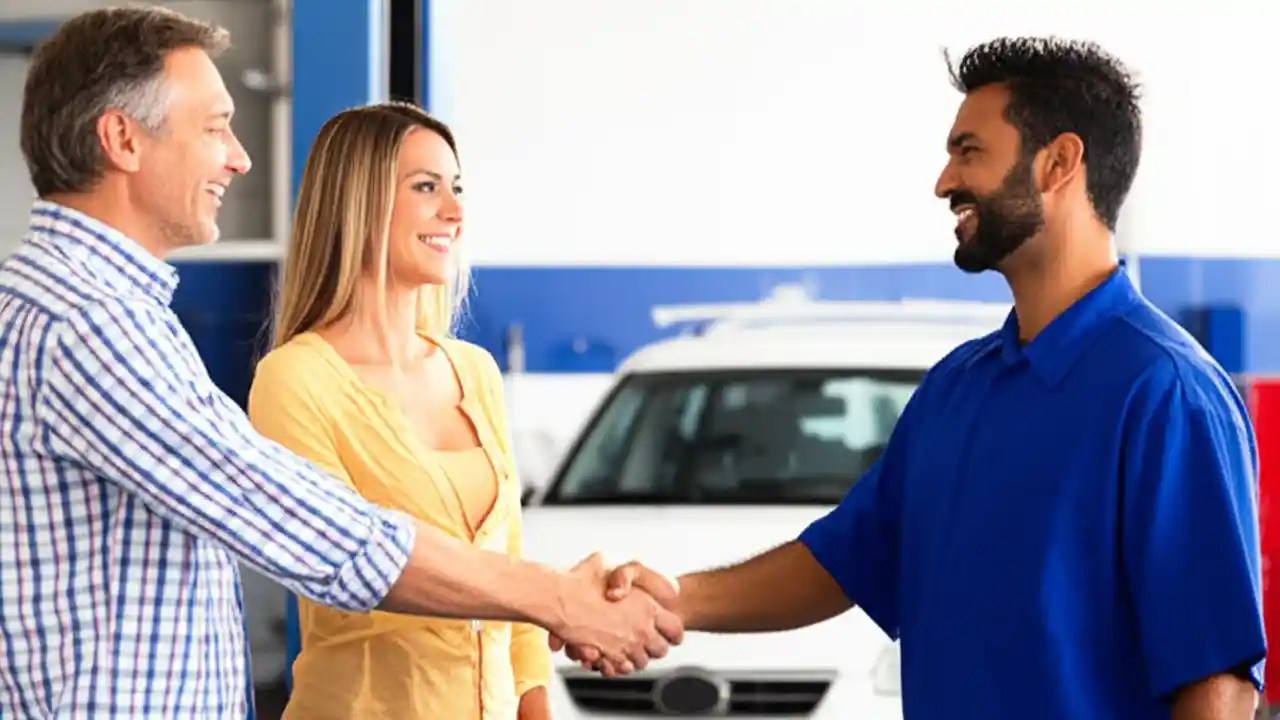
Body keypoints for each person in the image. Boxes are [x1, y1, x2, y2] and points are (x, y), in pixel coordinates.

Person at [0, 7, 679, 719]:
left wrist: (547, 622)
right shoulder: (86, 324)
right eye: (215, 127)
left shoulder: (95, 312)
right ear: (122, 140)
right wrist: (558, 598)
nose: (240, 156)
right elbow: (311, 527)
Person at [562, 36, 1268, 719]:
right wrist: (675, 598)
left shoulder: (1166, 392)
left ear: (1059, 163)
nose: (945, 182)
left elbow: (1216, 678)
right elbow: (846, 560)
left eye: (969, 152)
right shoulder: (958, 387)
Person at [245, 102, 554, 719]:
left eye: (458, 188)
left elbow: (511, 569)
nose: (455, 212)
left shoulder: (474, 371)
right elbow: (358, 569)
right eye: (426, 187)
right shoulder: (295, 380)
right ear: (357, 203)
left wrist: (536, 704)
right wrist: (564, 598)